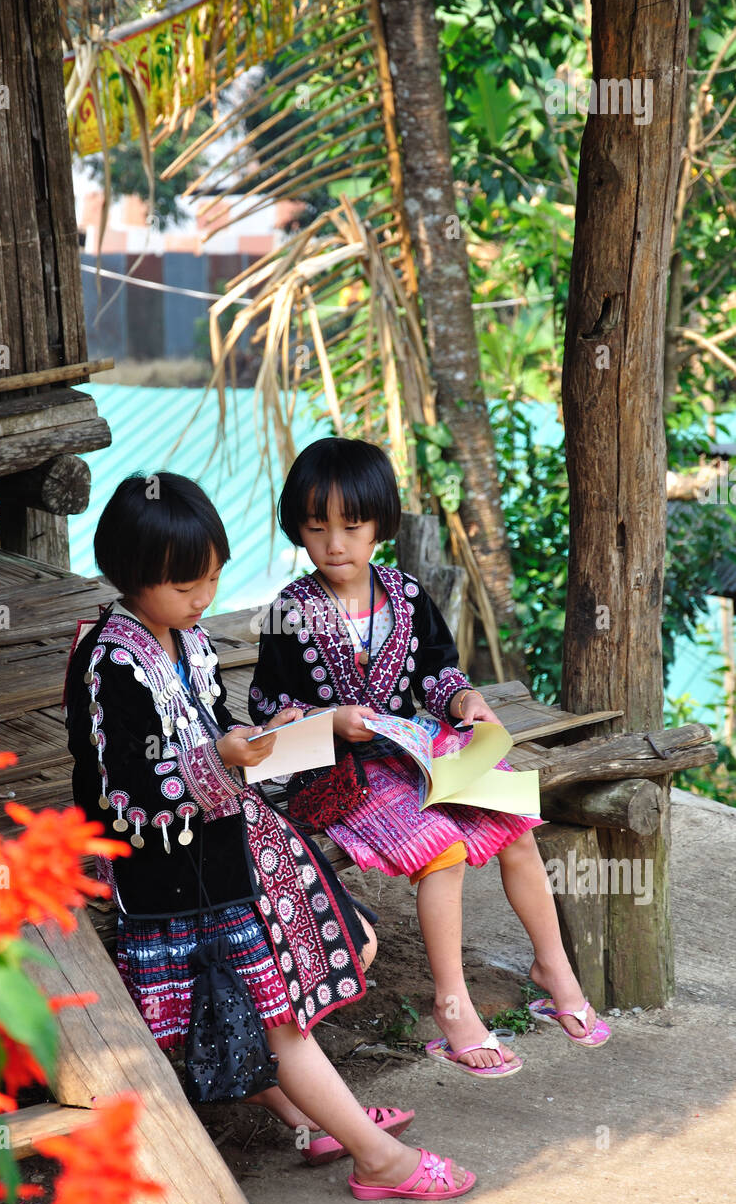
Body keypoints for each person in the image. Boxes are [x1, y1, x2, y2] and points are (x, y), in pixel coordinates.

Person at [62, 470, 475, 1201]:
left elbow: (215, 726)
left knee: (316, 969)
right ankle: (375, 1159)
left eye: (212, 581)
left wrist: (258, 738)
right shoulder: (108, 661)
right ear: (132, 576)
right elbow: (113, 794)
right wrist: (218, 758)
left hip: (227, 850)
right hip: (171, 880)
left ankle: (314, 1124)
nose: (202, 602)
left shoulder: (184, 640)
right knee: (276, 1009)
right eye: (186, 586)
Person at [248, 438, 611, 1078]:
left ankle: (551, 965)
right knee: (441, 849)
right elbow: (267, 708)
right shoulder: (290, 612)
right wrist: (330, 722)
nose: (335, 543)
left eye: (351, 526)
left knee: (515, 818)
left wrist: (469, 703)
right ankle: (452, 1007)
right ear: (297, 529)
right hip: (339, 776)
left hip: (416, 747)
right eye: (316, 527)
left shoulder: (408, 596)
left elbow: (440, 677)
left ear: (380, 525)